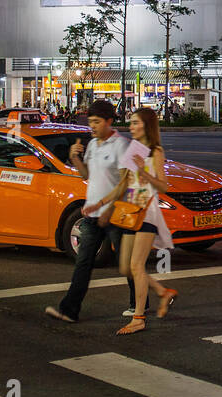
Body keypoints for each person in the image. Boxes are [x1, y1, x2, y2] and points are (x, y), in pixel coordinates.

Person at [46, 99, 132, 323]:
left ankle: (139, 303)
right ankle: (69, 310)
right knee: (83, 263)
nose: (92, 126)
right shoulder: (93, 144)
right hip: (92, 215)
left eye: (97, 122)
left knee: (127, 264)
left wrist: (109, 209)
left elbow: (125, 183)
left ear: (109, 121)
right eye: (90, 121)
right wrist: (75, 157)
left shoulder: (120, 145)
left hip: (114, 215)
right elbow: (87, 176)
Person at [114, 108, 179, 335]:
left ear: (146, 125)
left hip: (147, 211)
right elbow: (124, 184)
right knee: (126, 267)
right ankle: (162, 292)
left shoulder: (155, 151)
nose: (130, 127)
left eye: (134, 123)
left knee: (136, 266)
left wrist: (144, 171)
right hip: (131, 210)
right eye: (130, 123)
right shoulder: (134, 149)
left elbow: (163, 186)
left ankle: (139, 318)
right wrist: (101, 203)